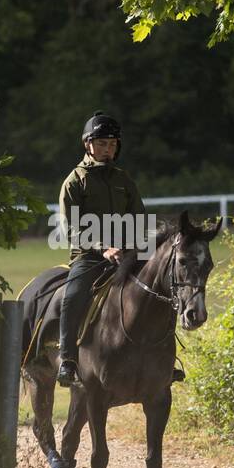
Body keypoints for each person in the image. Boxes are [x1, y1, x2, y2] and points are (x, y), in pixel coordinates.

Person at [55, 112, 146, 387]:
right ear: (88, 144)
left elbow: (138, 218)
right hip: (89, 256)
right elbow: (71, 229)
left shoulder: (124, 179)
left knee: (160, 287)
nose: (108, 149)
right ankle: (68, 360)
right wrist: (103, 248)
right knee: (71, 297)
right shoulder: (74, 181)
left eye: (112, 144)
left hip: (125, 254)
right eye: (102, 143)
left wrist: (132, 246)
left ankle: (163, 359)